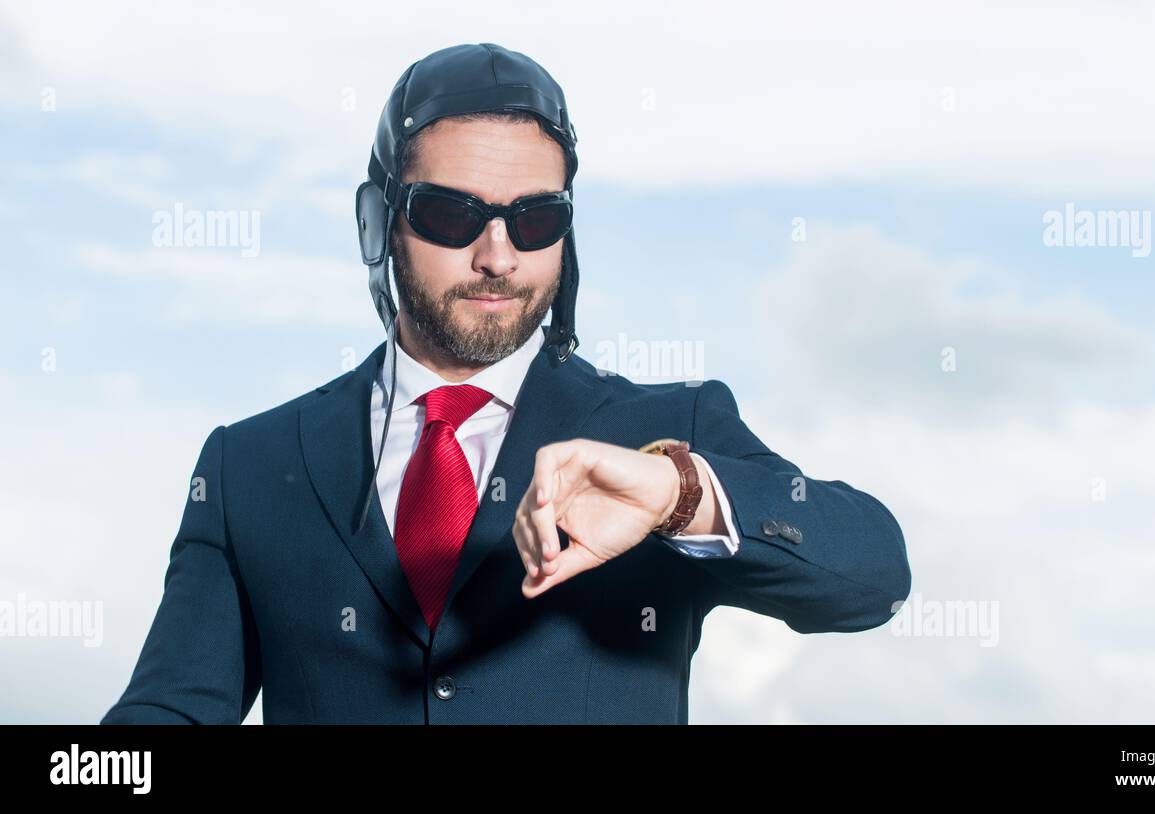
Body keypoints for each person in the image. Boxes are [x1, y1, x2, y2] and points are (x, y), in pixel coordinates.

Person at [101, 43, 911, 724]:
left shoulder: (666, 428)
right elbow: (166, 717)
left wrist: (678, 496)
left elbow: (872, 576)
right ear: (375, 221)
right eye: (453, 216)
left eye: (535, 220)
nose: (498, 257)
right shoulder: (248, 466)